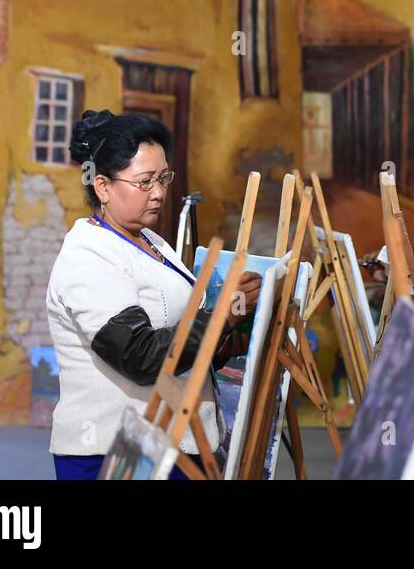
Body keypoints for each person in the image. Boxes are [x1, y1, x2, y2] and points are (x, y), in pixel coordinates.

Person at [45, 109, 261, 480]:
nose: (159, 192)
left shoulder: (149, 240)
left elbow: (174, 329)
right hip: (116, 452)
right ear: (103, 187)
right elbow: (139, 356)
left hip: (160, 441)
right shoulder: (87, 255)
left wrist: (224, 340)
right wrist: (221, 316)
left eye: (163, 178)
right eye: (144, 182)